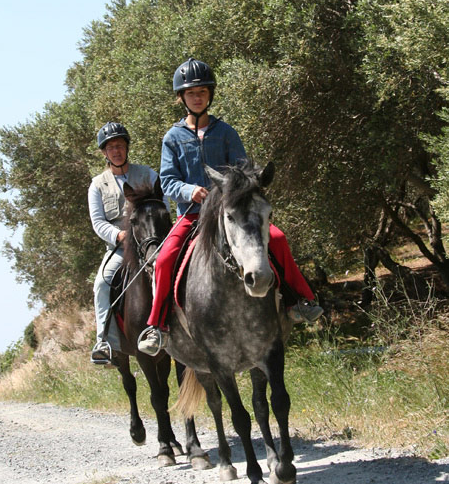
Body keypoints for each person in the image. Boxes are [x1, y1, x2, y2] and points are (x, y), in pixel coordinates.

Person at [137, 58, 323, 356]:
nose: (197, 97)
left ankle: (299, 300)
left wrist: (232, 190)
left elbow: (243, 173)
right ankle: (157, 326)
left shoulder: (227, 132)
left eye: (202, 92)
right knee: (164, 258)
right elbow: (169, 181)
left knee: (276, 238)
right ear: (181, 98)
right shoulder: (172, 138)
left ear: (210, 94)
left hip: (232, 214)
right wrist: (190, 190)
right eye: (191, 93)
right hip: (192, 215)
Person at [88, 121, 167, 364]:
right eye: (111, 147)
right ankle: (105, 341)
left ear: (127, 148)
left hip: (151, 242)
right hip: (120, 248)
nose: (116, 151)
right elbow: (98, 222)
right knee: (102, 283)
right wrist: (118, 236)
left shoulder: (147, 174)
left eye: (120, 145)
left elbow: (164, 204)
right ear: (104, 153)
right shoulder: (97, 185)